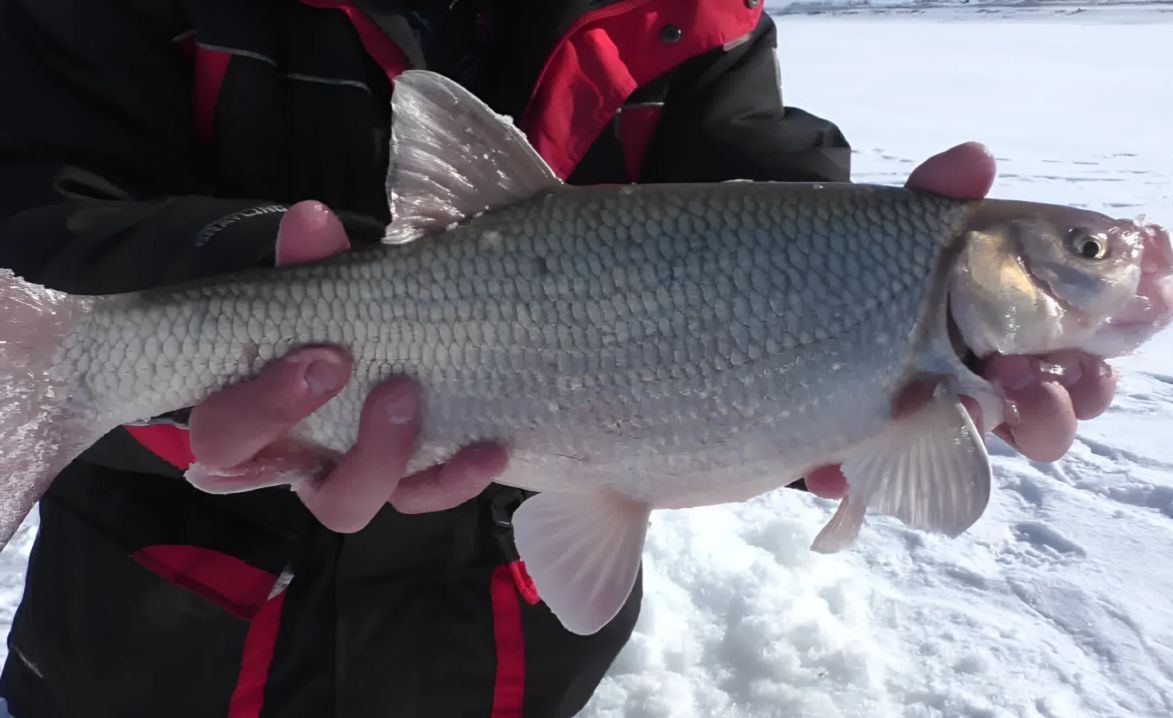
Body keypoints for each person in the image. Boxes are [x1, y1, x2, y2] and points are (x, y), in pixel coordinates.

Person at [0, 0, 1117, 716]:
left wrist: (841, 394)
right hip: (145, 655)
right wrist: (248, 294)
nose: (1102, 268)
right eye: (1082, 252)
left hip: (506, 670)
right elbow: (33, 203)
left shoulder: (695, 22)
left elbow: (750, 245)